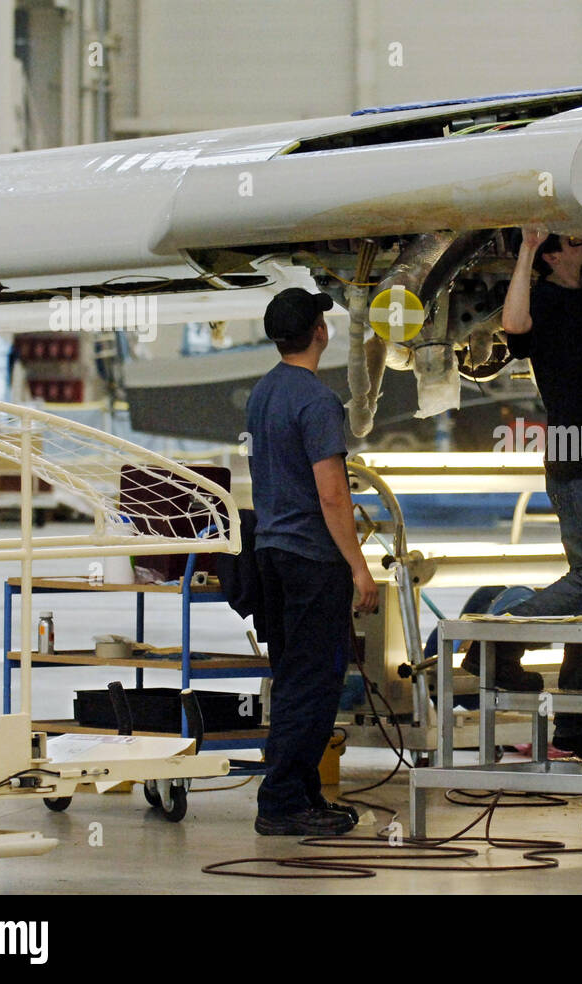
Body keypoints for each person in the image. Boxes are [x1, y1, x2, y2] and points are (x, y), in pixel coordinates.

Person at [463, 227, 582, 762]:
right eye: (574, 241)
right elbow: (514, 326)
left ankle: (579, 729)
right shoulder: (542, 300)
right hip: (578, 456)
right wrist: (524, 248)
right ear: (553, 255)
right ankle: (495, 644)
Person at [247, 287, 379, 836]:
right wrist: (359, 566)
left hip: (270, 554)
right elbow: (332, 495)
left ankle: (300, 795)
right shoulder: (318, 401)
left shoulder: (261, 394)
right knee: (314, 681)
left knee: (292, 676)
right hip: (310, 559)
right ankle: (280, 802)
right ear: (320, 333)